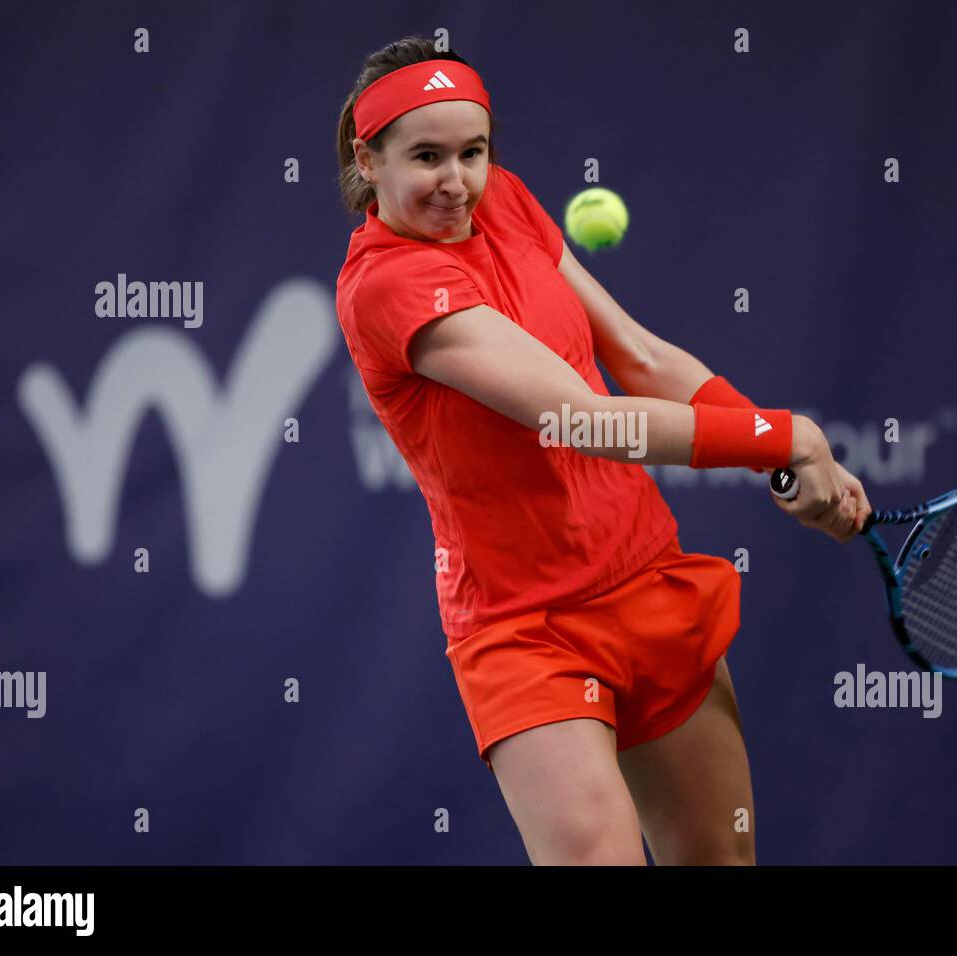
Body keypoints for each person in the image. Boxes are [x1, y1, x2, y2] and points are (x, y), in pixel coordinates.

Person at [333, 36, 871, 866]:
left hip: (644, 578)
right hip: (523, 630)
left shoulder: (504, 200)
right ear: (368, 160)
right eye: (426, 157)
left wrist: (778, 458)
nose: (456, 182)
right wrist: (785, 434)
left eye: (472, 153)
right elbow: (584, 419)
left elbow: (640, 356)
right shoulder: (386, 286)